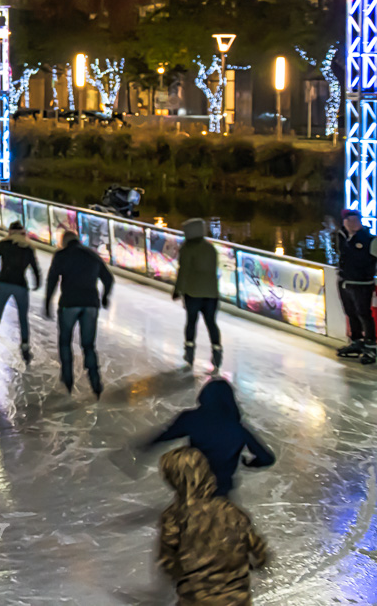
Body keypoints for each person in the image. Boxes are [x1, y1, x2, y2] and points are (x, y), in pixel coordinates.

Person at [157, 447, 270, 606]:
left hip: (197, 600)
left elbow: (168, 561)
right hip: (236, 600)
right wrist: (258, 562)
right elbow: (257, 548)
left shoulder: (173, 517)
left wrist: (185, 577)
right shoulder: (230, 511)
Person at [142, 380, 277, 497]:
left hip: (194, 480)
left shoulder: (192, 418)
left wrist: (147, 445)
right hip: (221, 486)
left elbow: (167, 435)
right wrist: (250, 463)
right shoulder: (238, 429)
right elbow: (266, 458)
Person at [44, 232, 115, 396]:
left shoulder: (61, 255)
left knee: (65, 341)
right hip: (90, 304)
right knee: (88, 345)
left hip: (69, 304)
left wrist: (48, 302)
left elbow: (52, 279)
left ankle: (68, 377)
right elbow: (108, 278)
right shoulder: (92, 255)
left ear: (64, 242)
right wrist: (104, 297)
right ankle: (95, 380)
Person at [0, 220, 41, 364]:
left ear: (10, 232)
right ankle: (24, 346)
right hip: (20, 286)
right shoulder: (28, 247)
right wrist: (37, 281)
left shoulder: (3, 245)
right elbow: (35, 267)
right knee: (23, 318)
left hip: (3, 283)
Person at [174, 218, 225, 370]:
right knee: (211, 323)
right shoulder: (210, 248)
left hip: (193, 292)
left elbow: (183, 271)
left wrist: (178, 290)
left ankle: (189, 352)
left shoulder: (187, 249)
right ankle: (217, 351)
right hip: (211, 294)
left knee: (191, 321)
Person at [334, 208, 377, 363]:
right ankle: (356, 341)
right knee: (350, 312)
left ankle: (371, 346)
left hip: (362, 283)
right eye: (350, 220)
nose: (353, 224)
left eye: (356, 220)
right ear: (344, 222)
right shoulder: (342, 236)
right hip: (345, 281)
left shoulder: (370, 239)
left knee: (364, 314)